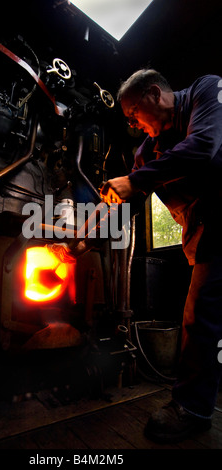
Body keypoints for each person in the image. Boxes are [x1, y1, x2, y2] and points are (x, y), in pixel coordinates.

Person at [100, 69, 222, 443]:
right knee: (206, 315)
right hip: (203, 236)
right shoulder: (146, 152)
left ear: (154, 93)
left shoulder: (207, 90)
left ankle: (193, 409)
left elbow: (205, 145)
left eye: (134, 114)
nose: (134, 125)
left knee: (201, 315)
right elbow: (124, 202)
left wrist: (136, 181)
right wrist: (88, 236)